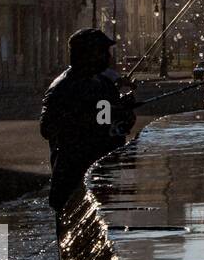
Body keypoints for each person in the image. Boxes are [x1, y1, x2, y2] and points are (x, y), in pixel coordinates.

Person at [40, 28, 137, 211]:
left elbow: (113, 126)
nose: (108, 57)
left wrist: (124, 112)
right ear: (88, 55)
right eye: (103, 52)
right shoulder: (62, 88)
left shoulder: (103, 84)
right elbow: (47, 128)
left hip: (106, 179)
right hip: (72, 182)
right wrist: (94, 113)